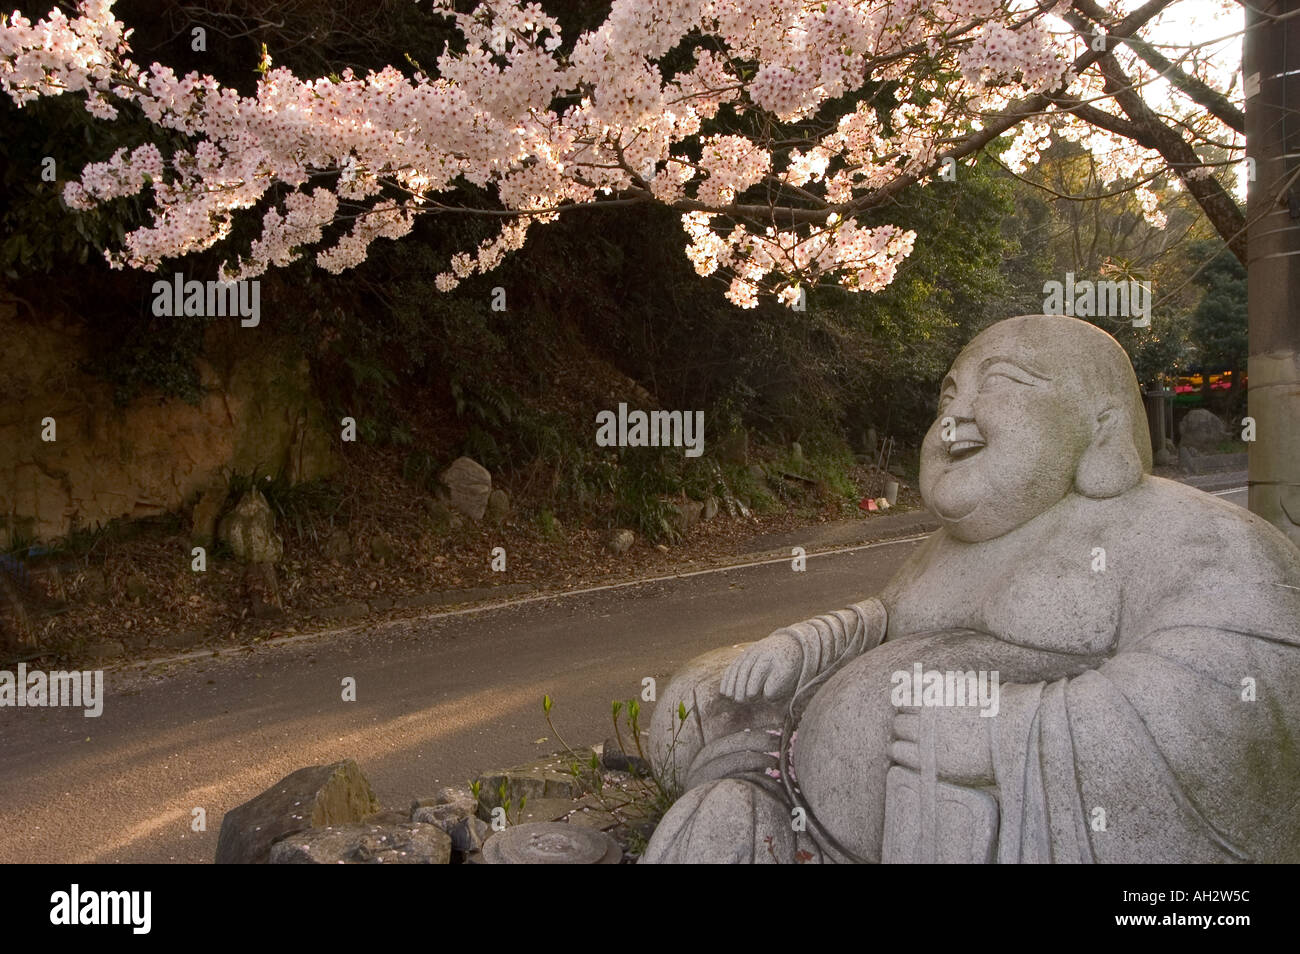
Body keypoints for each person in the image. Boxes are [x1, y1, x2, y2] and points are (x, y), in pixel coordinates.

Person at [643, 315, 1300, 864]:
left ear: (1102, 426)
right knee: (698, 712)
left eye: (1002, 384)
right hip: (807, 814)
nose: (958, 413)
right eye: (948, 396)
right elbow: (888, 622)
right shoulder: (944, 549)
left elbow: (1245, 694)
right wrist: (806, 643)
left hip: (966, 825)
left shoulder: (1183, 531)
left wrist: (1006, 734)